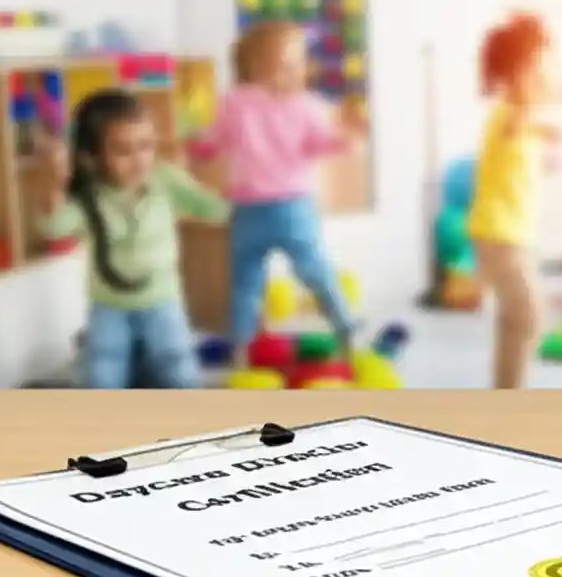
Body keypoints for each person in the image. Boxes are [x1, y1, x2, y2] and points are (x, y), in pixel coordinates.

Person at [187, 21, 363, 366]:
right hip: (280, 207)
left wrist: (196, 148)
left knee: (253, 280)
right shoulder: (296, 104)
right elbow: (320, 144)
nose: (297, 72)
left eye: (300, 64)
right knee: (303, 272)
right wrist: (347, 140)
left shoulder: (237, 102)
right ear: (255, 68)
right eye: (286, 65)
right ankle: (341, 328)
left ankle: (338, 329)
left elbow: (212, 142)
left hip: (268, 208)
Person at [38, 90, 230, 389]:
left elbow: (212, 207)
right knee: (103, 371)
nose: (139, 160)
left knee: (177, 365)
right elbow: (55, 228)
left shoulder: (164, 179)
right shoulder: (90, 196)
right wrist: (55, 183)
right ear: (93, 156)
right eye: (123, 151)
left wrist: (235, 185)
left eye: (146, 146)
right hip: (108, 306)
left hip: (162, 299)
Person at [467, 13, 556, 389]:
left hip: (514, 235)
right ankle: (509, 392)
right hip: (499, 236)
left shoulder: (519, 118)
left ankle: (506, 391)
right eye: (540, 67)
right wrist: (532, 111)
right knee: (529, 313)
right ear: (521, 72)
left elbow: (522, 133)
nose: (548, 76)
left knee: (515, 321)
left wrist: (543, 131)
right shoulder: (511, 113)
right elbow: (516, 122)